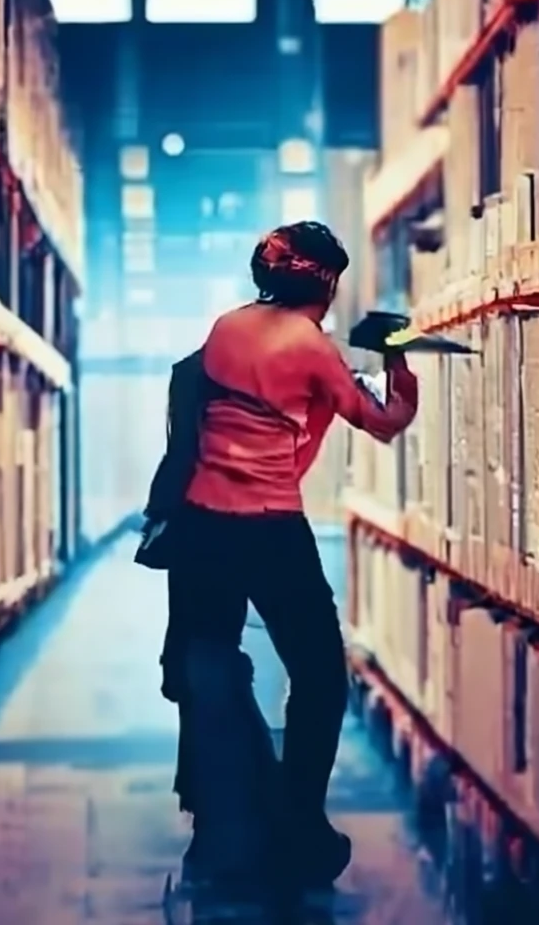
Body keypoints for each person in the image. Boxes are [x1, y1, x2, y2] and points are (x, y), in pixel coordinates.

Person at [167, 220, 418, 893]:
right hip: (269, 527)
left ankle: (218, 821)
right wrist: (397, 359)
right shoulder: (312, 346)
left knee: (210, 669)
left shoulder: (226, 327)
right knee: (319, 675)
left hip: (201, 525)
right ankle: (299, 824)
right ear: (326, 283)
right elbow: (384, 421)